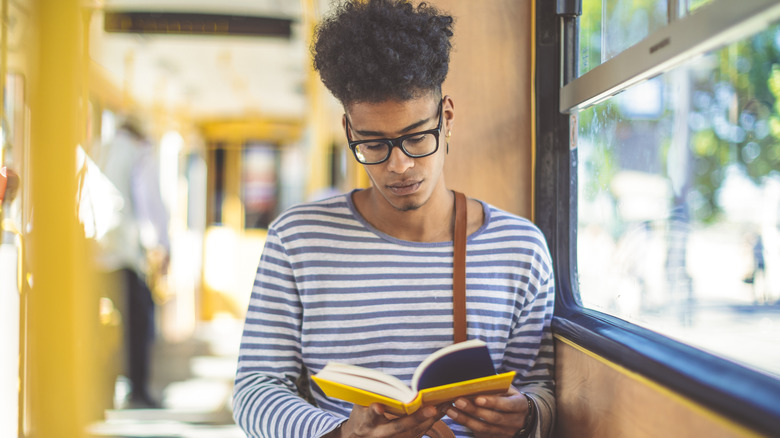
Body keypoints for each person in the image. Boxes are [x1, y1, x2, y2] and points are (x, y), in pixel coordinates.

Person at [232, 1, 555, 437]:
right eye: (373, 144)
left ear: (447, 119)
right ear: (349, 132)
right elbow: (255, 388)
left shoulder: (521, 249)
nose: (399, 166)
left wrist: (529, 414)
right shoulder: (296, 240)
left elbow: (541, 385)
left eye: (417, 137)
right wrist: (343, 433)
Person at [94, 117, 170, 409]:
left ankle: (99, 393)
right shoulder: (139, 155)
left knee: (96, 325)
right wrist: (161, 244)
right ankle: (137, 389)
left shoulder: (97, 148)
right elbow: (148, 202)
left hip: (91, 252)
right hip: (122, 253)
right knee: (138, 323)